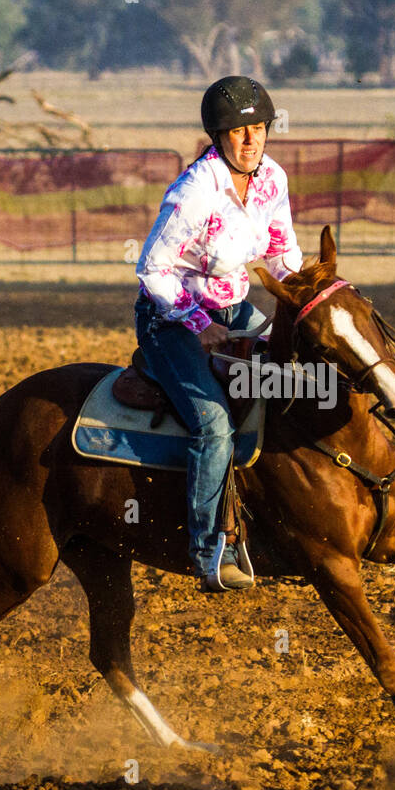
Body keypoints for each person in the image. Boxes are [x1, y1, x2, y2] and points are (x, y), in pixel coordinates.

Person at [134, 76, 302, 594]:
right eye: (238, 131)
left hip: (234, 307)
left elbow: (280, 257)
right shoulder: (193, 192)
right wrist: (198, 323)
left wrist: (309, 301)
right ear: (217, 135)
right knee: (214, 424)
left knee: (300, 381)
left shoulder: (272, 179)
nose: (251, 140)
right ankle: (211, 552)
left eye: (258, 129)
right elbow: (153, 269)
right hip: (171, 320)